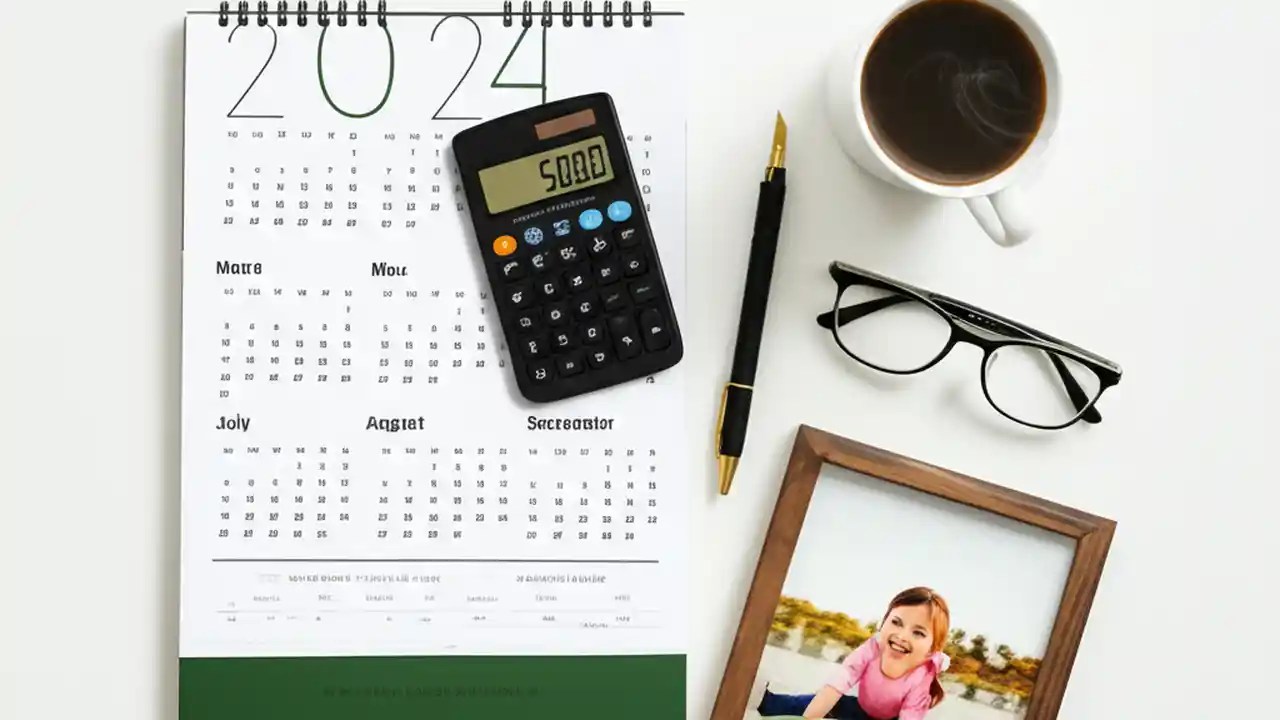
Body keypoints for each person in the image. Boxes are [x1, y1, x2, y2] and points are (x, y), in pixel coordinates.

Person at [757, 586, 952, 720]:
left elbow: (910, 716)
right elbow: (837, 685)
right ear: (883, 623)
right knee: (822, 701)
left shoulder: (923, 676)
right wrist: (808, 718)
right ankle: (767, 701)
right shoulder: (873, 649)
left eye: (918, 633)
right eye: (896, 622)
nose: (902, 636)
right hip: (860, 709)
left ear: (932, 648)